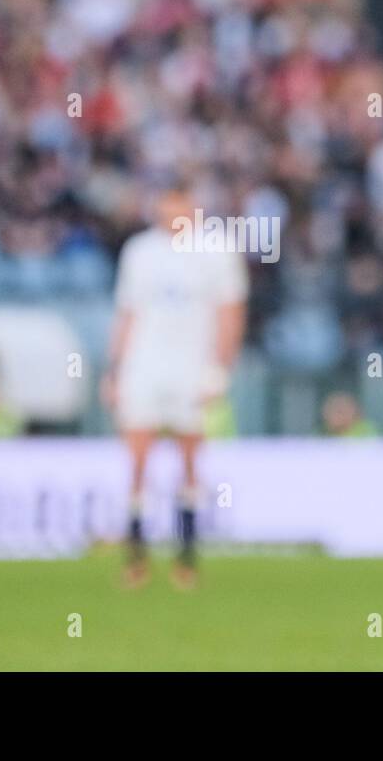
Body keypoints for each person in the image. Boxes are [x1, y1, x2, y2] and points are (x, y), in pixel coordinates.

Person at [102, 185, 247, 589]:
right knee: (137, 460)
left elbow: (230, 314)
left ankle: (186, 556)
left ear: (193, 207)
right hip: (144, 366)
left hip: (191, 366)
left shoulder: (217, 250)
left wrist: (219, 369)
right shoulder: (139, 251)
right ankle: (136, 556)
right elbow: (127, 313)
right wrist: (114, 370)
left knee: (189, 462)